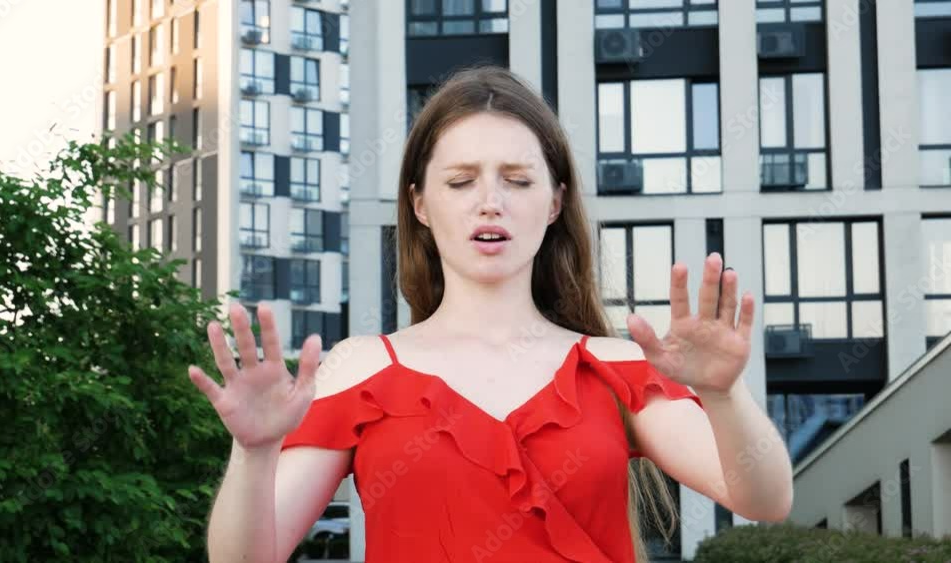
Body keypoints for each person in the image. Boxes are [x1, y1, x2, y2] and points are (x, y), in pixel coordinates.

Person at [188, 65, 793, 563]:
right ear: (420, 204)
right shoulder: (360, 369)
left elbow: (764, 499)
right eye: (460, 181)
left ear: (555, 202)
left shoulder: (618, 367)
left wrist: (723, 395)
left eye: (517, 180)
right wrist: (256, 452)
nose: (490, 203)